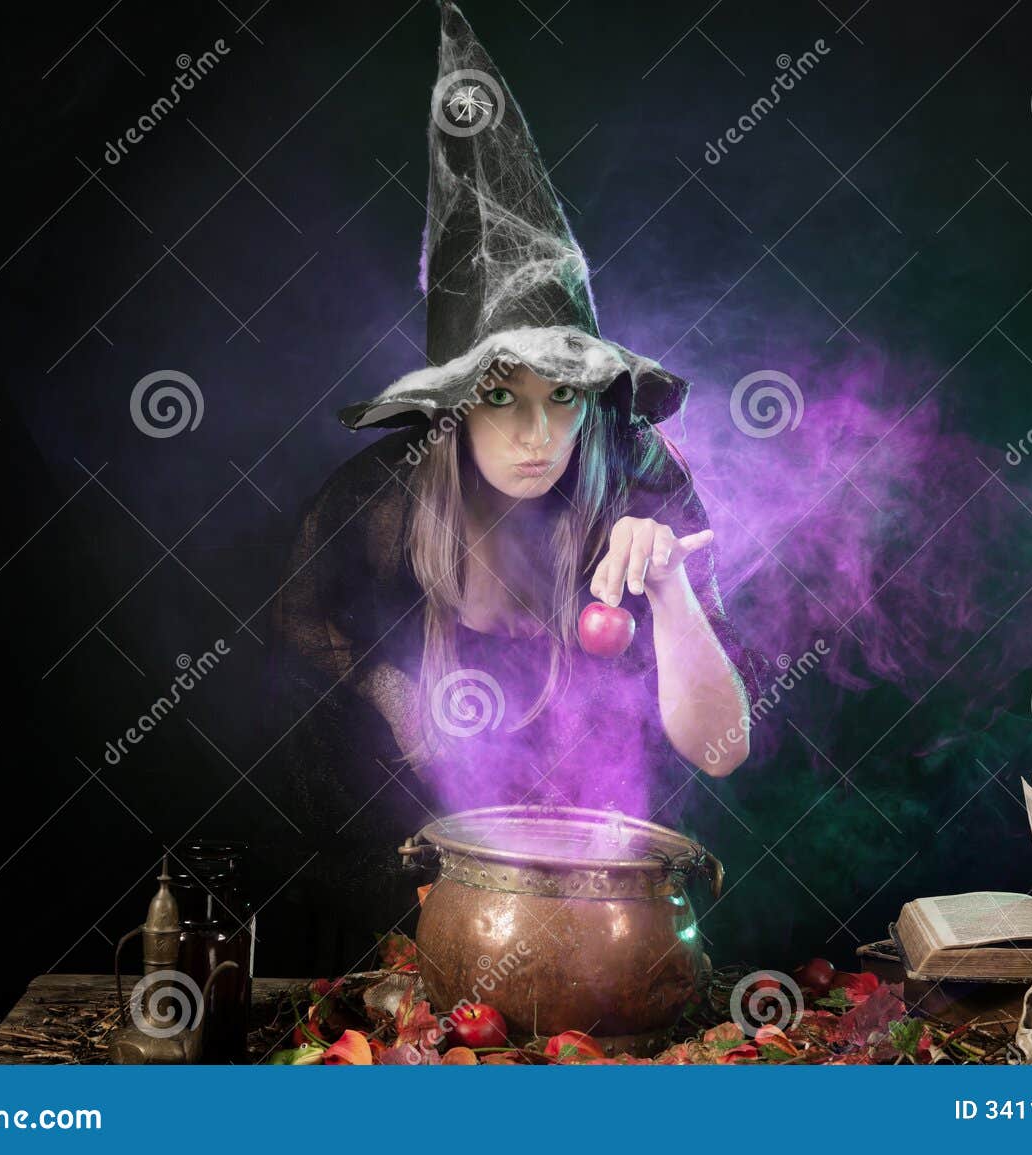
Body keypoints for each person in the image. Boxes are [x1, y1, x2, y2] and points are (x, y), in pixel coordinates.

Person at [264, 2, 769, 965]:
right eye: (502, 397)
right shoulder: (373, 506)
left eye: (565, 394)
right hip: (407, 928)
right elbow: (302, 644)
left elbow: (722, 749)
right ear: (454, 402)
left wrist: (667, 592)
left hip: (608, 935)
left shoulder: (637, 477)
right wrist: (388, 688)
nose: (540, 435)